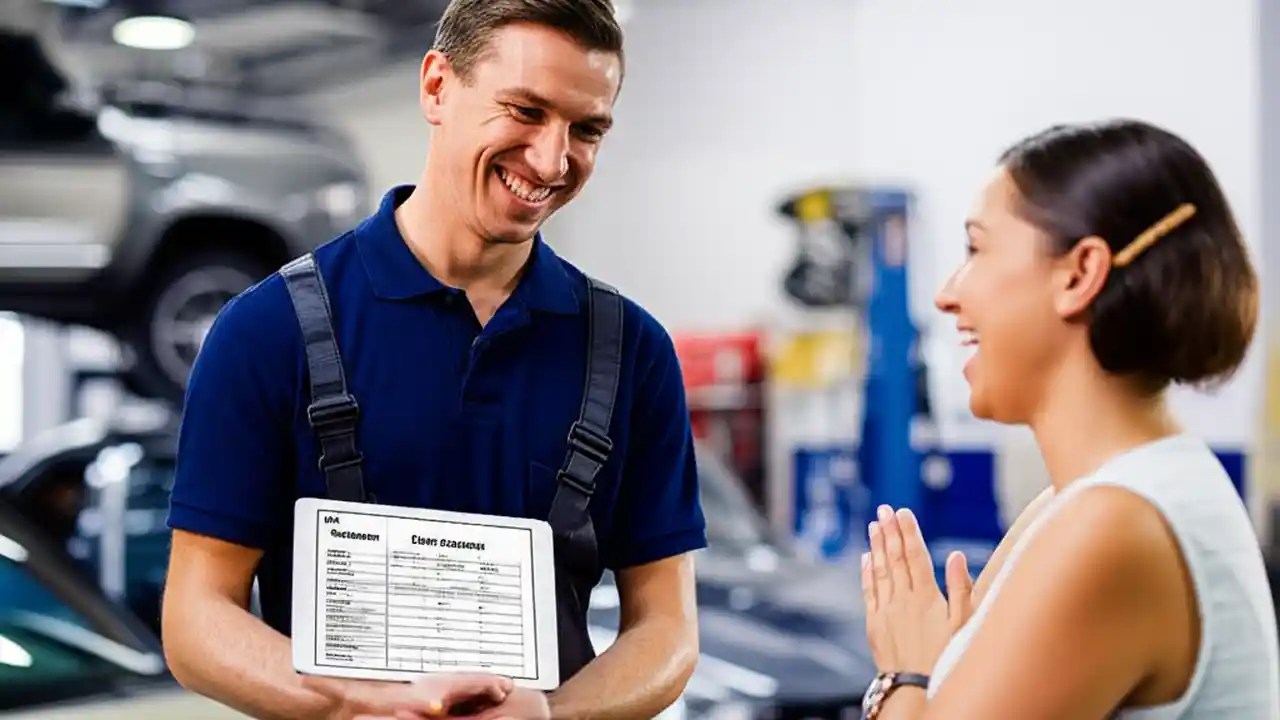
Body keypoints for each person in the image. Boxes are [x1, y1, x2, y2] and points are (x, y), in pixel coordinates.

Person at [159, 1, 706, 718]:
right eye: (525, 111)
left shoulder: (632, 353)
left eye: (586, 130)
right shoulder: (268, 331)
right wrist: (362, 705)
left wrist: (553, 716)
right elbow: (196, 617)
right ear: (437, 87)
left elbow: (667, 627)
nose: (552, 160)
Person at [857, 118, 1280, 719]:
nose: (947, 294)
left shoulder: (1115, 525)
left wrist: (904, 674)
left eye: (976, 248)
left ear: (1079, 275)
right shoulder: (1075, 504)